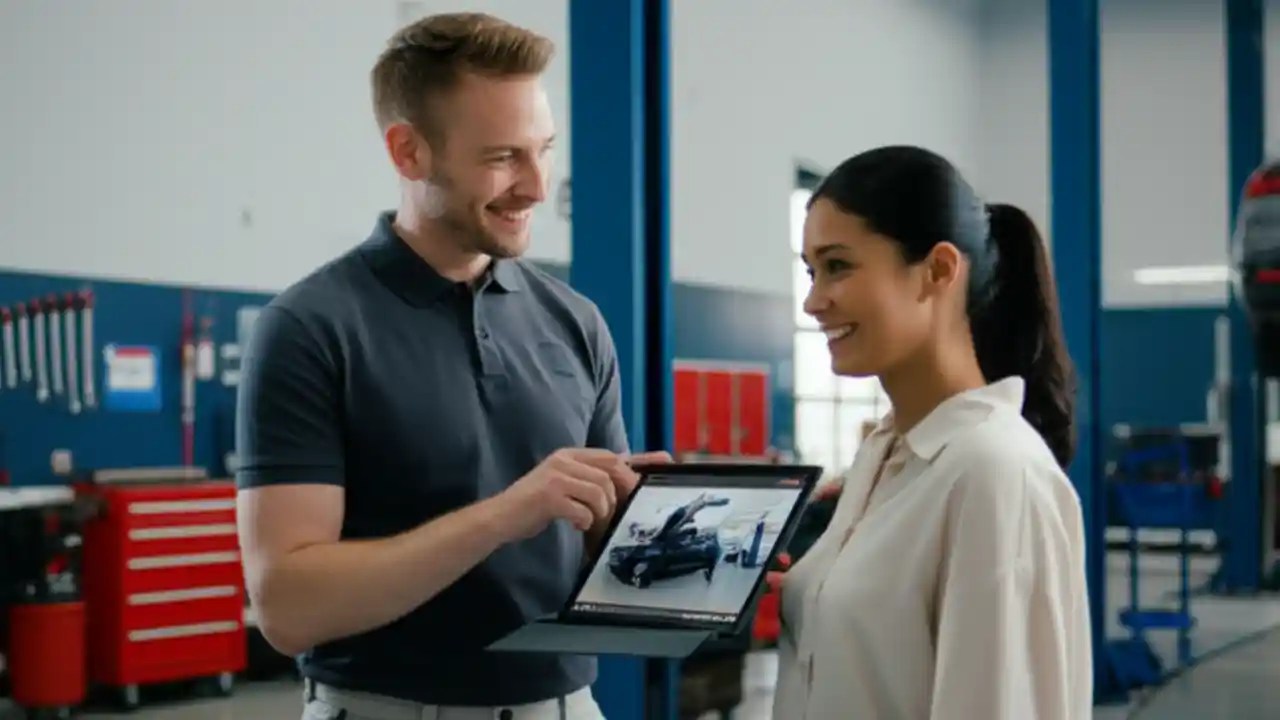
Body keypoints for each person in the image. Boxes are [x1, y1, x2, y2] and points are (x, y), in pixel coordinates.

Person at [234, 13, 667, 720]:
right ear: (408, 152)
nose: (535, 187)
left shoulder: (576, 322)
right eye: (502, 158)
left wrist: (679, 539)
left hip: (564, 707)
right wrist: (506, 514)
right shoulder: (310, 328)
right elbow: (286, 606)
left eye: (544, 150)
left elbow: (600, 560)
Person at [771, 145, 1092, 719]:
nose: (814, 300)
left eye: (839, 266)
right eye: (811, 270)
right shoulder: (883, 455)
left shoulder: (995, 472)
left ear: (939, 270)